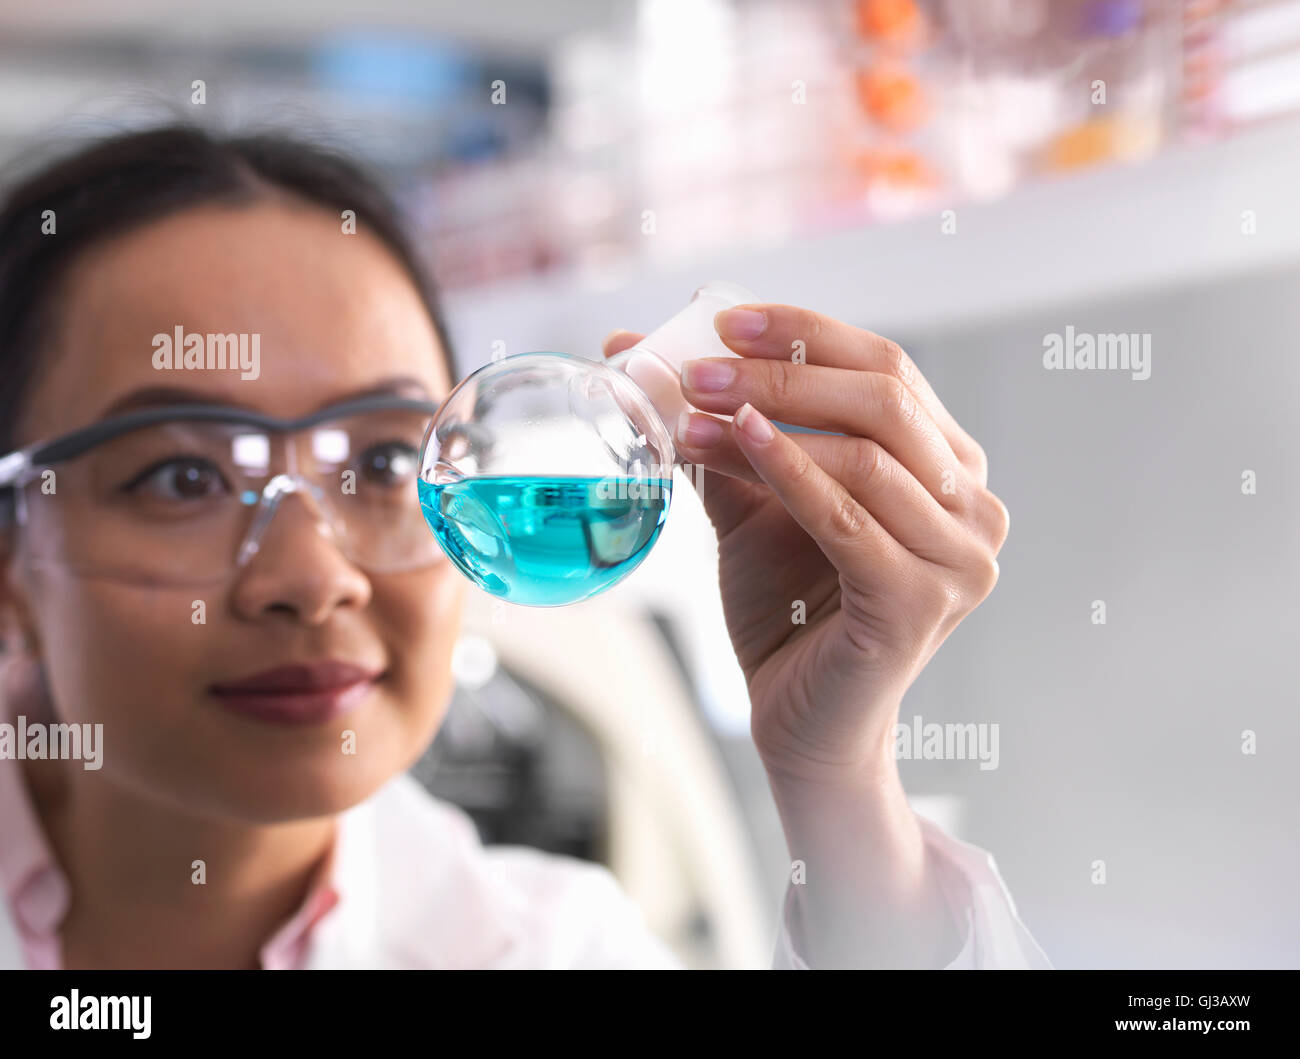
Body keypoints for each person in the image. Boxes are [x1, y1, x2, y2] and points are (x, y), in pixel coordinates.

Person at [0, 125, 1048, 969]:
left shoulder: (541, 950)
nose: (312, 579)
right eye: (183, 477)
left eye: (374, 465)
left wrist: (836, 776)